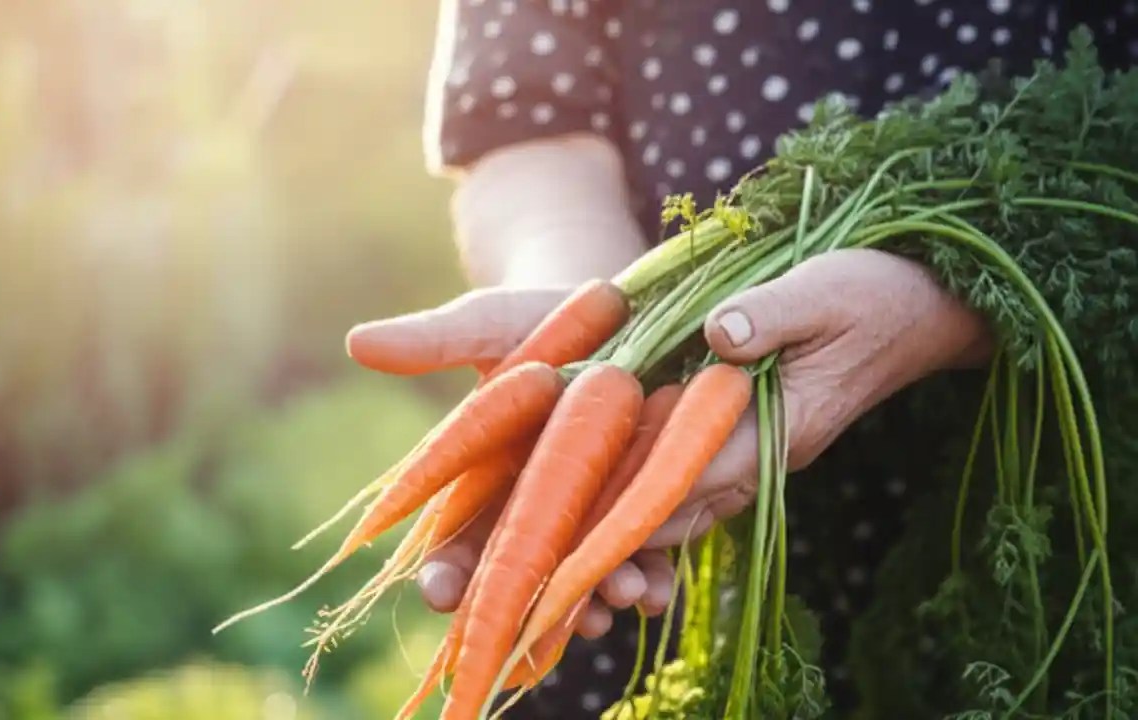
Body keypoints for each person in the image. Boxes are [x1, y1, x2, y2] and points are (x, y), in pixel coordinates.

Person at [347, 1, 1138, 716]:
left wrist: (951, 300)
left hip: (1022, 530)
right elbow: (527, 126)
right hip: (661, 577)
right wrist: (581, 299)